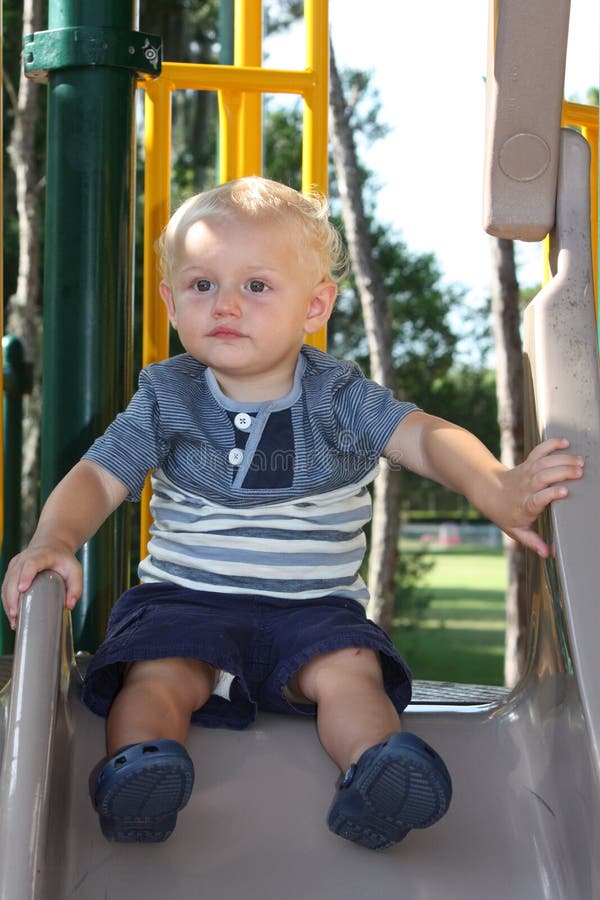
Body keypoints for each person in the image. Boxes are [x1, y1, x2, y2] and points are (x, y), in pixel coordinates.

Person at [1, 176, 584, 851]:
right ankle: (139, 776)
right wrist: (54, 537)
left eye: (256, 286)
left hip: (313, 611)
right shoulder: (167, 397)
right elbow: (98, 478)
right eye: (201, 285)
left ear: (315, 306)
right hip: (186, 603)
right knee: (158, 673)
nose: (225, 304)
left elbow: (424, 436)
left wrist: (494, 485)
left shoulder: (338, 396)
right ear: (170, 302)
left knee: (350, 672)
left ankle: (376, 770)